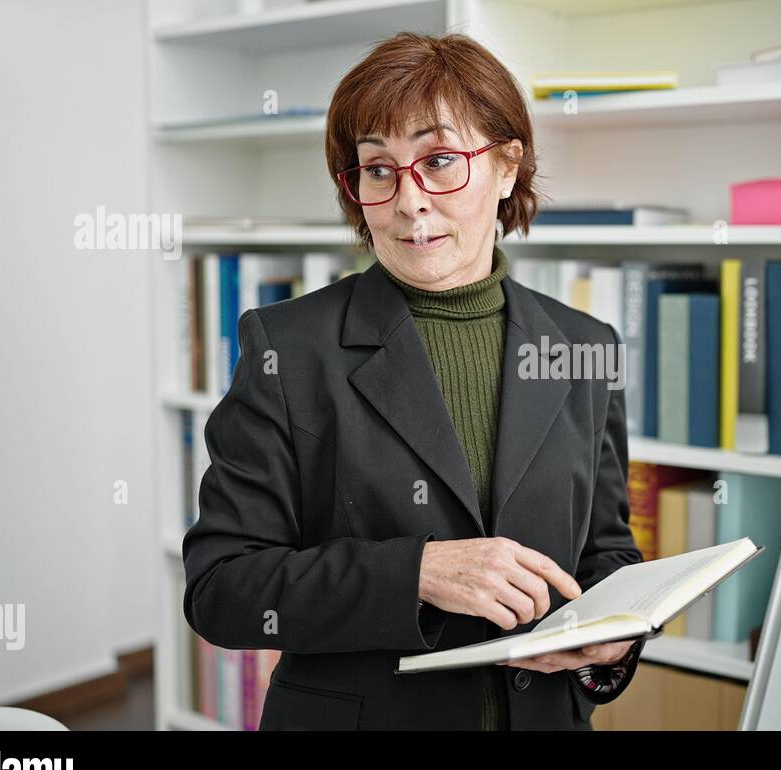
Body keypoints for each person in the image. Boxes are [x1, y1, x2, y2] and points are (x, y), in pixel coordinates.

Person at [182, 31, 646, 730]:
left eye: (437, 161)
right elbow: (222, 586)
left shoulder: (583, 346)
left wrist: (611, 642)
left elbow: (606, 552)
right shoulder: (289, 347)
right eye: (377, 168)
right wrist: (419, 573)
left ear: (508, 167)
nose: (409, 201)